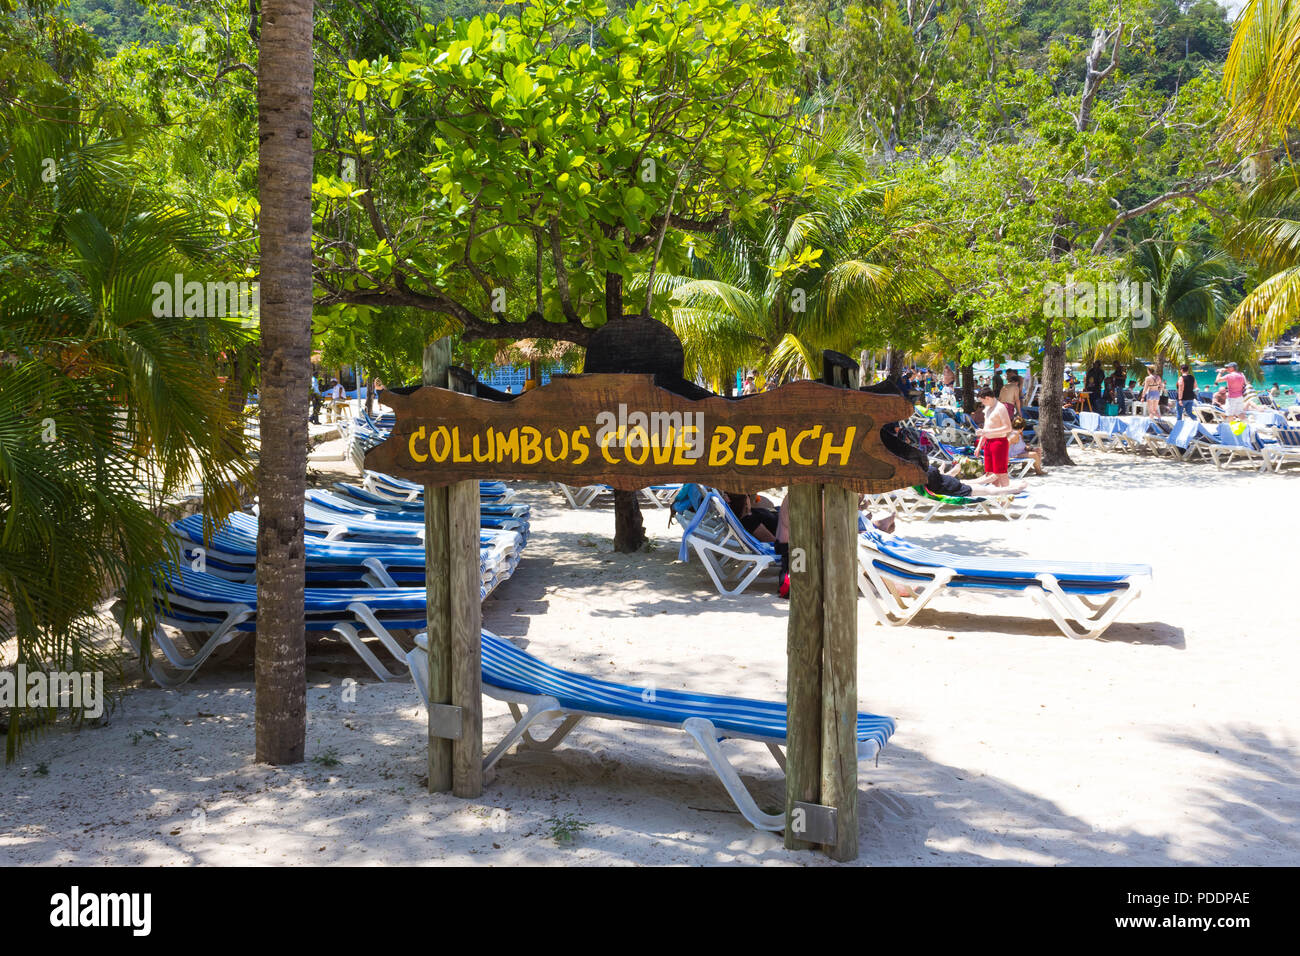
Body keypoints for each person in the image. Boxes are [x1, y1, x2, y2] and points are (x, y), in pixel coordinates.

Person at [974, 387, 1013, 487]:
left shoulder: (1000, 408)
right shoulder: (988, 409)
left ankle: (1006, 496)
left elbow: (1008, 428)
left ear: (987, 398)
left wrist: (987, 431)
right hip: (988, 443)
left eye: (982, 401)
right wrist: (979, 446)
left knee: (1001, 473)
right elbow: (986, 428)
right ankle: (997, 497)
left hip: (999, 442)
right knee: (990, 473)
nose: (982, 404)